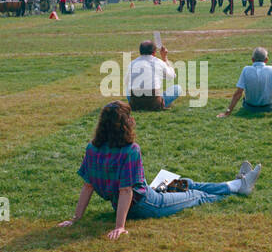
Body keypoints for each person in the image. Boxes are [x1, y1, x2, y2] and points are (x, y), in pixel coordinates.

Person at [58, 101, 261, 239]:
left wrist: (76, 218)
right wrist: (120, 226)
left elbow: (88, 186)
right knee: (195, 195)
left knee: (186, 183)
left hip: (143, 194)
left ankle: (237, 185)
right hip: (146, 203)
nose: (133, 120)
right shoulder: (130, 150)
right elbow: (125, 191)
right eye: (130, 117)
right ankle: (238, 186)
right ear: (124, 124)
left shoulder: (92, 148)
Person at [219, 48, 272, 118]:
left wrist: (227, 113)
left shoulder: (245, 70)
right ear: (266, 60)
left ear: (252, 60)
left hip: (249, 107)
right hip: (268, 107)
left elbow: (238, 94)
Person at [126, 40, 182, 110]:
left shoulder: (132, 63)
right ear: (154, 52)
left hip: (135, 104)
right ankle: (163, 103)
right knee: (178, 88)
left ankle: (137, 104)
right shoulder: (159, 62)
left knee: (127, 89)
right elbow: (172, 76)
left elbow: (127, 82)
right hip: (154, 104)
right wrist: (165, 58)